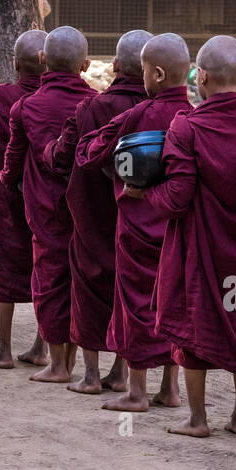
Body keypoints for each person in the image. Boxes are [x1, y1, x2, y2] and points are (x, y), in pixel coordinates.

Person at [122, 35, 236, 436]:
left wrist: (142, 191)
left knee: (192, 324)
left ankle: (197, 418)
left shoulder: (187, 125)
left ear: (199, 77)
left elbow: (176, 197)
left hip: (198, 246)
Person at [76, 33, 190, 413]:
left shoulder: (138, 116)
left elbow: (90, 153)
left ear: (156, 74)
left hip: (139, 228)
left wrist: (116, 166)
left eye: (143, 71)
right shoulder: (195, 117)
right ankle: (170, 390)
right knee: (171, 301)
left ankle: (137, 391)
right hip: (180, 231)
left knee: (137, 302)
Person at [47, 29, 151, 394]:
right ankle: (122, 371)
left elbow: (63, 157)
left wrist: (46, 152)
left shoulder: (93, 108)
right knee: (132, 288)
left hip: (92, 216)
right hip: (143, 219)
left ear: (117, 66)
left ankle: (90, 375)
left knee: (89, 287)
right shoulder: (167, 113)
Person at [0, 26, 96, 381]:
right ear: (86, 64)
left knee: (50, 278)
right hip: (87, 211)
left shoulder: (26, 106)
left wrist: (7, 182)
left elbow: (12, 160)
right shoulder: (94, 104)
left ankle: (57, 365)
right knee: (81, 280)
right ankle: (72, 361)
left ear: (43, 60)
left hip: (44, 210)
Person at [0, 30, 49, 369]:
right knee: (48, 267)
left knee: (2, 268)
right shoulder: (76, 101)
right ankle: (41, 346)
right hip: (50, 204)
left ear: (15, 64)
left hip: (3, 199)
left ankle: (3, 350)